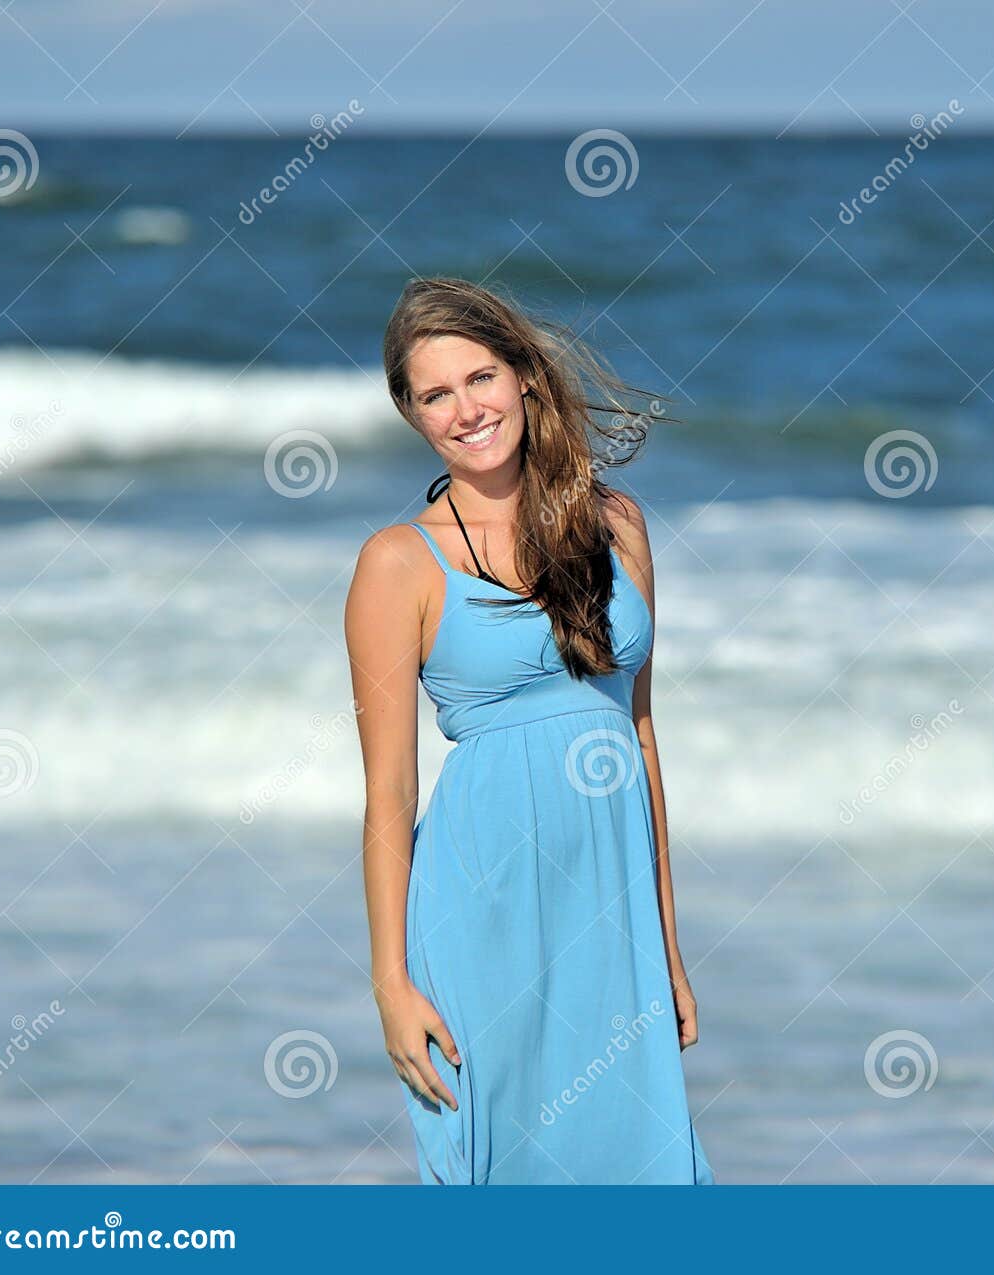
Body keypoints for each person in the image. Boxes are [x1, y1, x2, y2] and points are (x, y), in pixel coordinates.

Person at [344, 277, 715, 1184]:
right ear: (411, 414)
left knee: (647, 1168)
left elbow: (642, 736)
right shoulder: (399, 562)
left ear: (525, 378)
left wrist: (664, 946)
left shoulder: (618, 527)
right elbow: (388, 792)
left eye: (480, 378)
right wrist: (391, 984)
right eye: (435, 394)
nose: (466, 409)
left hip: (611, 906)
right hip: (484, 904)